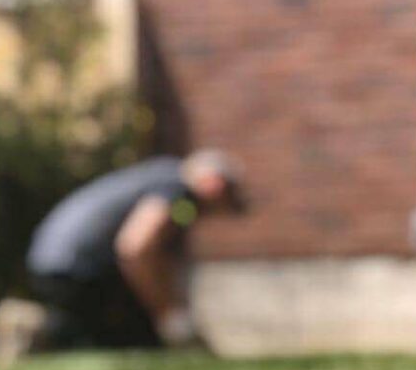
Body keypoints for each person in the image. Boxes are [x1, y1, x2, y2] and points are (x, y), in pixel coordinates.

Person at [24, 150, 248, 351]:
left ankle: (39, 325)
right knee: (136, 343)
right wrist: (170, 315)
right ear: (214, 183)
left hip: (51, 261)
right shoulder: (175, 187)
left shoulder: (160, 175)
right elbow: (135, 249)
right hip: (79, 271)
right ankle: (34, 327)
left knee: (92, 334)